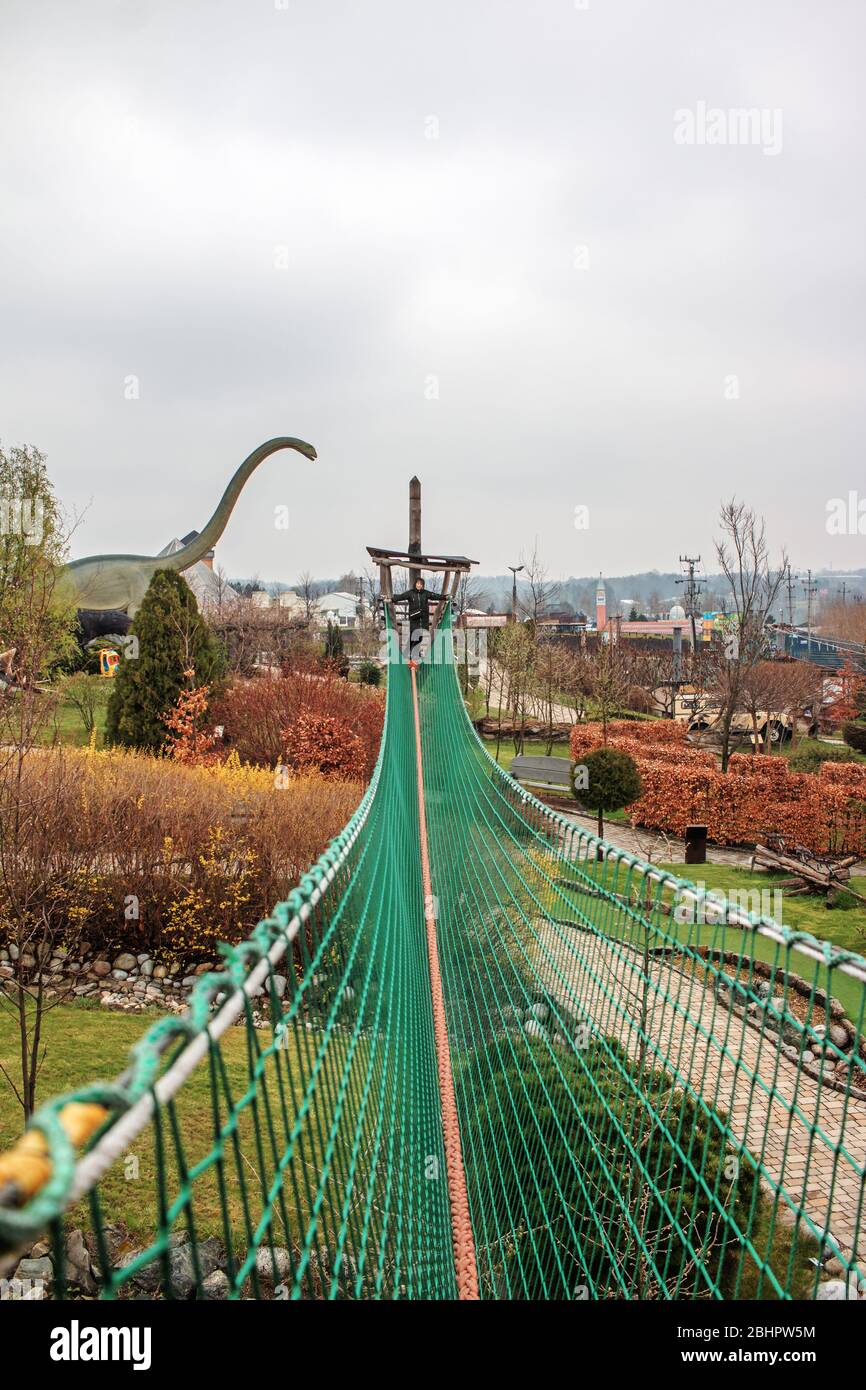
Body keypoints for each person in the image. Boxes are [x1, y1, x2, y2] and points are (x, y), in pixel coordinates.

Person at [393, 577, 448, 660]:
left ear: (423, 585)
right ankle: (410, 654)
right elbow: (401, 596)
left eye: (421, 584)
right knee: (413, 636)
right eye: (418, 584)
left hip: (423, 620)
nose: (419, 585)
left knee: (420, 637)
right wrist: (391, 599)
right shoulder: (410, 593)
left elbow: (434, 596)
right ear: (415, 584)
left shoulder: (425, 593)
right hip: (414, 619)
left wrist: (445, 597)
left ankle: (413, 653)